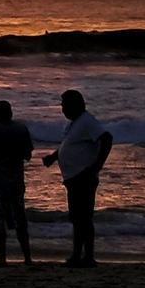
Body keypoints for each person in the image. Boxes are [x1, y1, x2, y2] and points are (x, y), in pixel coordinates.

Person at [43, 89, 114, 267]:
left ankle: (87, 257)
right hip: (73, 178)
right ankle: (77, 255)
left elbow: (106, 138)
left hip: (84, 176)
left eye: (65, 105)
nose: (62, 109)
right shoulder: (74, 124)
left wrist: (97, 165)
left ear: (76, 105)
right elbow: (68, 146)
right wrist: (54, 157)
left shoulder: (87, 121)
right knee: (77, 218)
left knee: (84, 218)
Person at [0, 100, 33, 265]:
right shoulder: (21, 129)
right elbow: (28, 155)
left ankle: (2, 259)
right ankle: (27, 258)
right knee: (20, 222)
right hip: (16, 182)